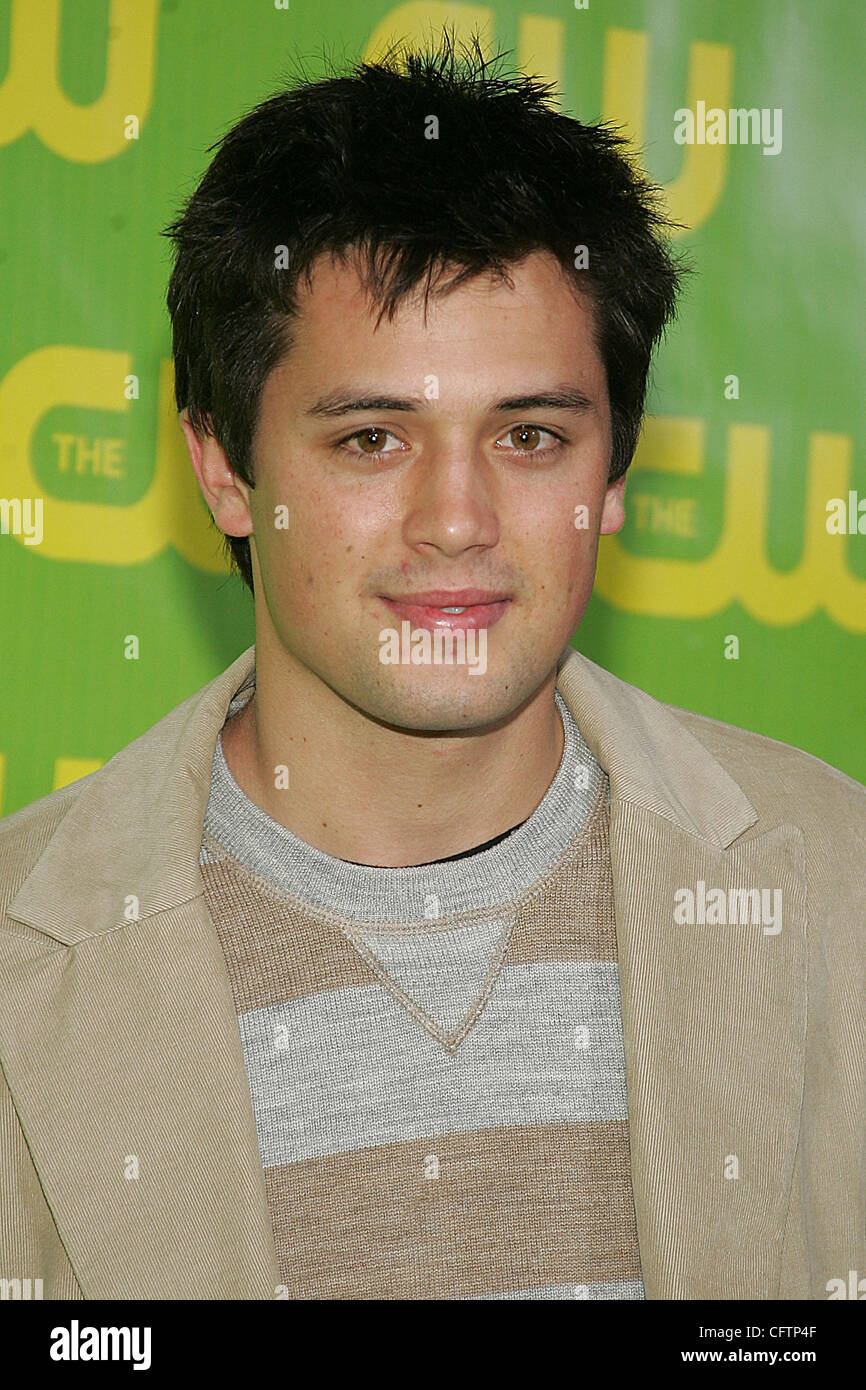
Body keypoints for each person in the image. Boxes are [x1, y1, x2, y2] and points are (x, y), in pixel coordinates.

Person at [1, 31, 863, 1302]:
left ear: (611, 472)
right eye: (368, 439)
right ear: (225, 469)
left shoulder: (836, 886)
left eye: (527, 434)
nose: (455, 519)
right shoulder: (25, 960)